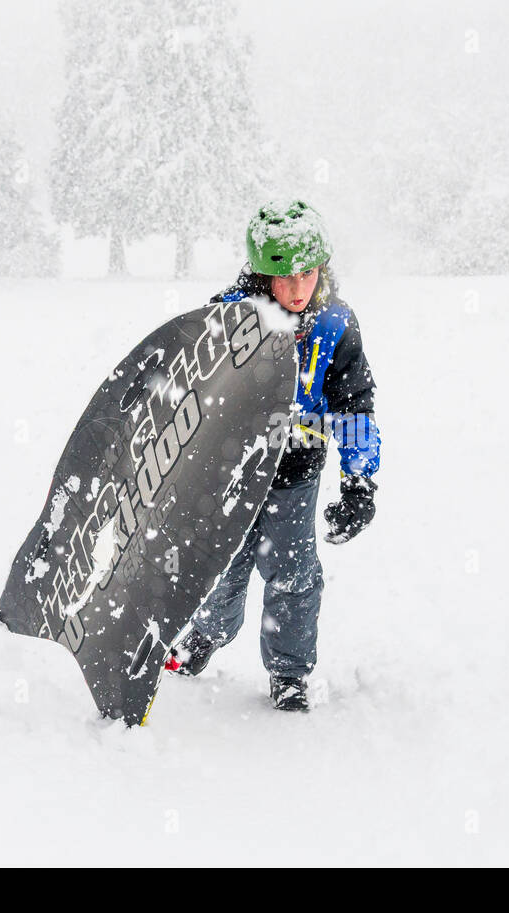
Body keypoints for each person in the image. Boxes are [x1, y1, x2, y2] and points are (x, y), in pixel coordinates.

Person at [166, 200, 381, 712]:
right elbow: (194, 395)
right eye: (285, 277)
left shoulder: (335, 324)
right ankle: (206, 634)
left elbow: (354, 405)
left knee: (293, 572)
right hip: (231, 467)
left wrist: (359, 482)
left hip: (296, 469)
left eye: (308, 273)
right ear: (263, 274)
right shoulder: (229, 317)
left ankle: (288, 672)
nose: (298, 288)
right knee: (221, 565)